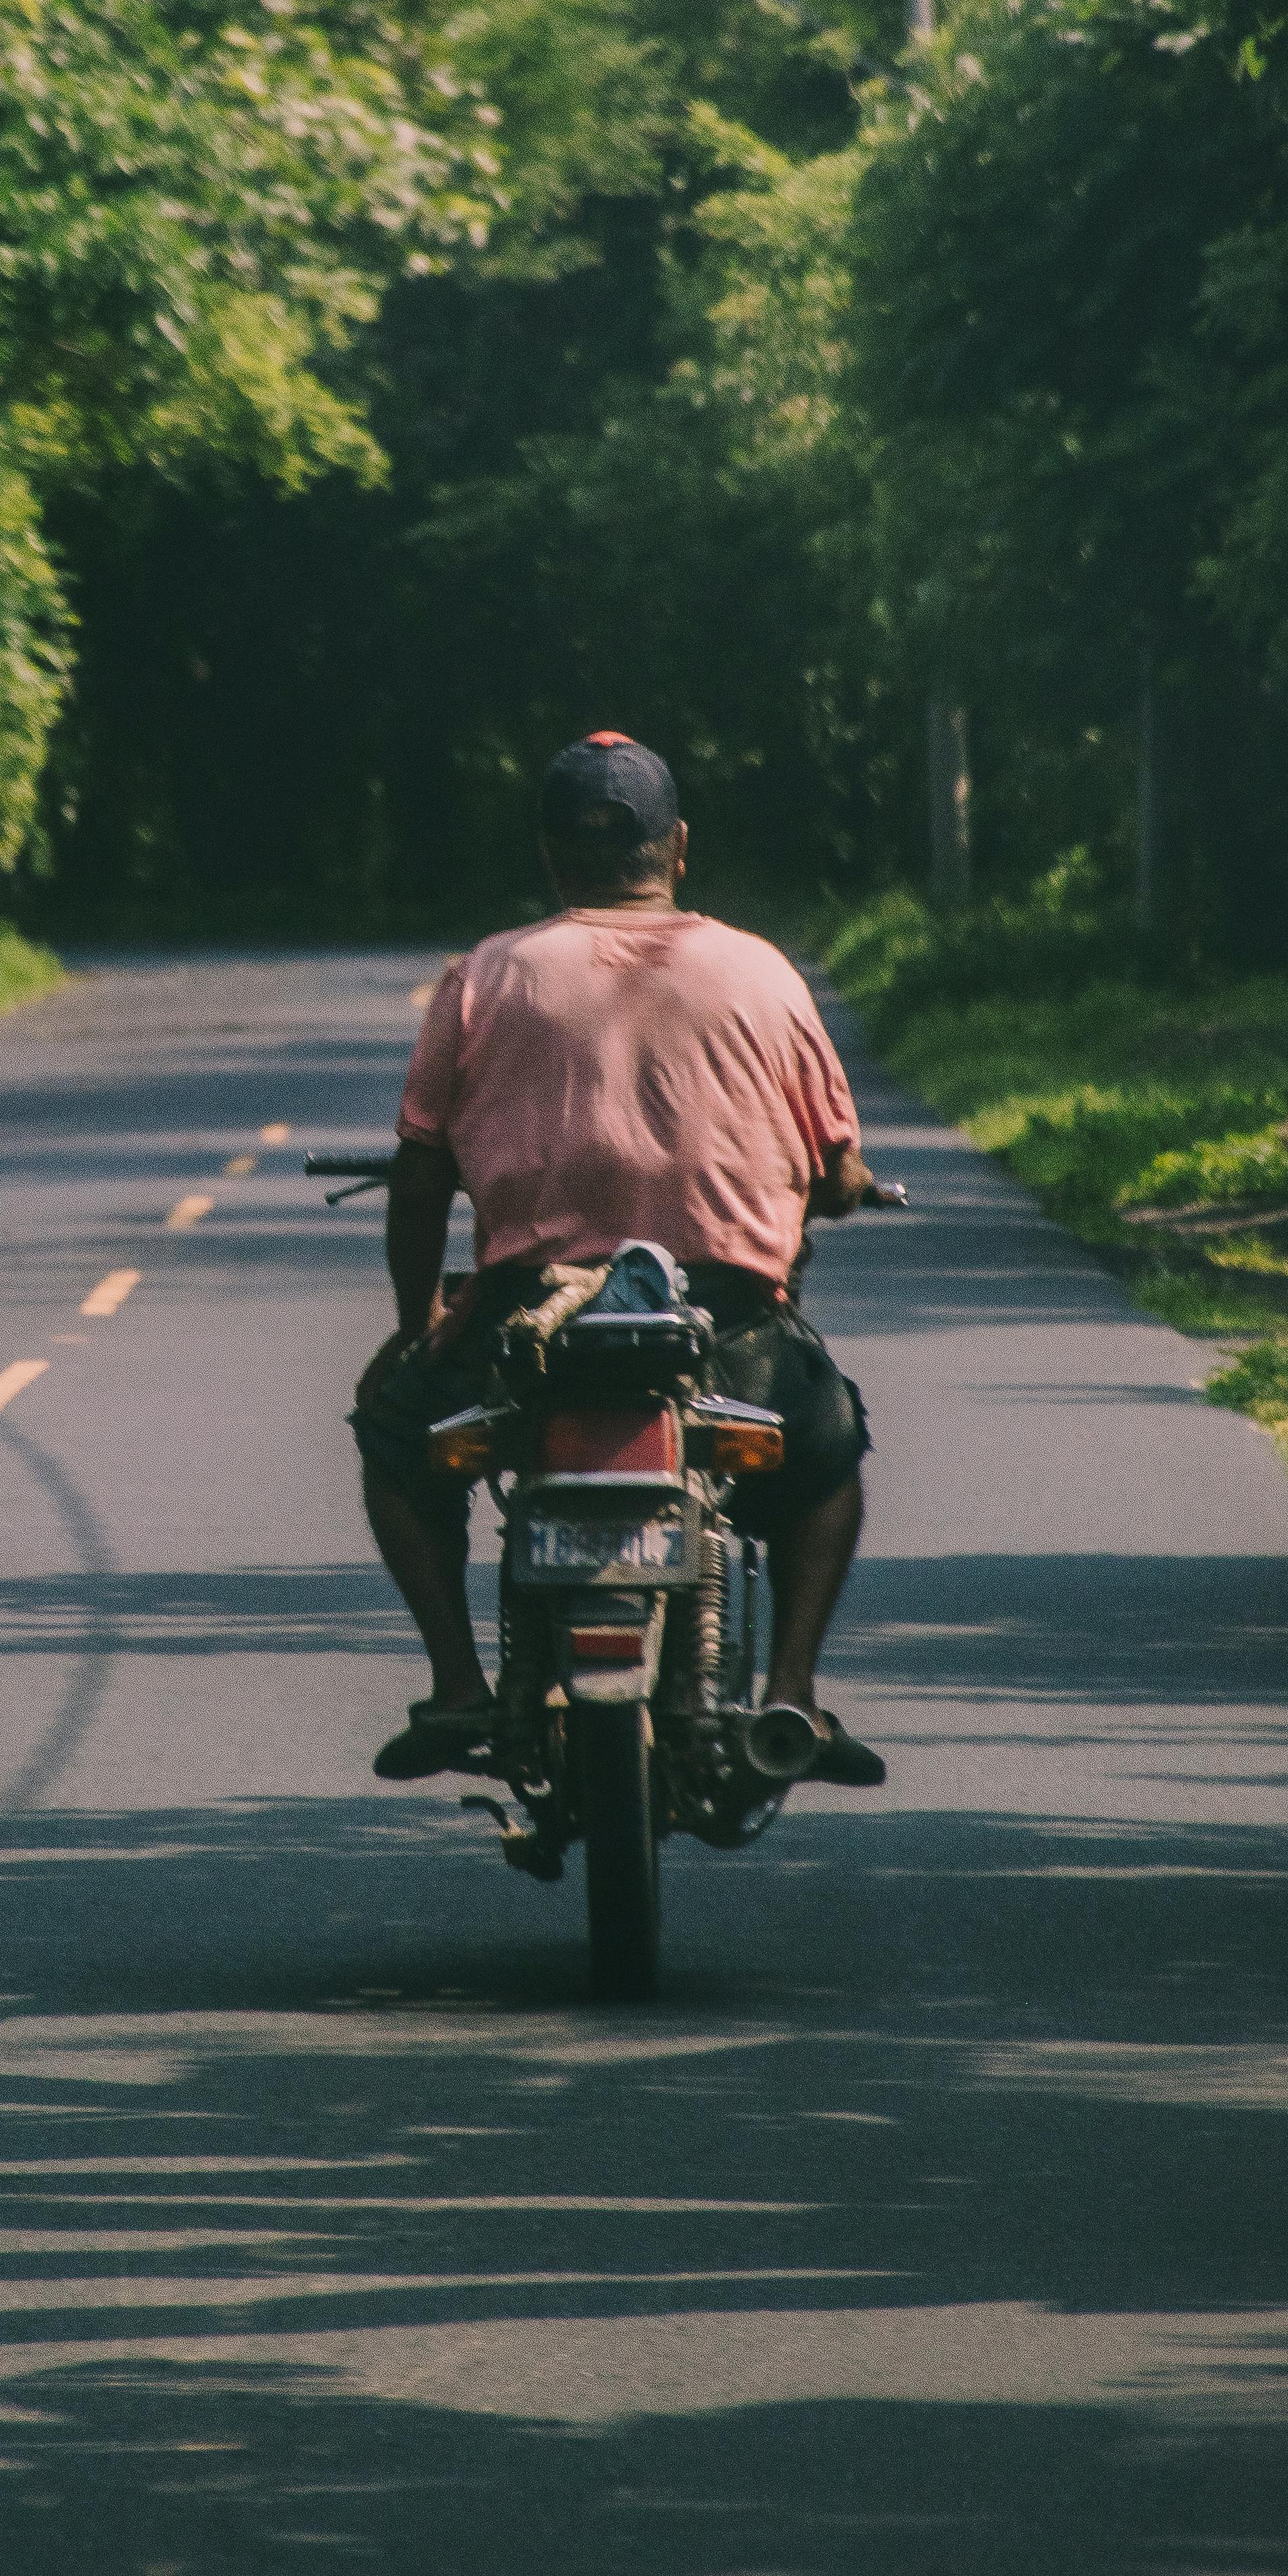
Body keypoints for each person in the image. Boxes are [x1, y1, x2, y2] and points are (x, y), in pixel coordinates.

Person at [352, 728, 893, 1788]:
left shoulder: (486, 975)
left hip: (530, 1329)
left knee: (393, 1438)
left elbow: (419, 1183)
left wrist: (420, 1327)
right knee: (827, 1455)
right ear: (678, 846)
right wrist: (839, 1186)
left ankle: (458, 1685)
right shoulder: (761, 971)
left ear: (551, 854)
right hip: (724, 1325)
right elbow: (837, 1168)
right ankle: (791, 1693)